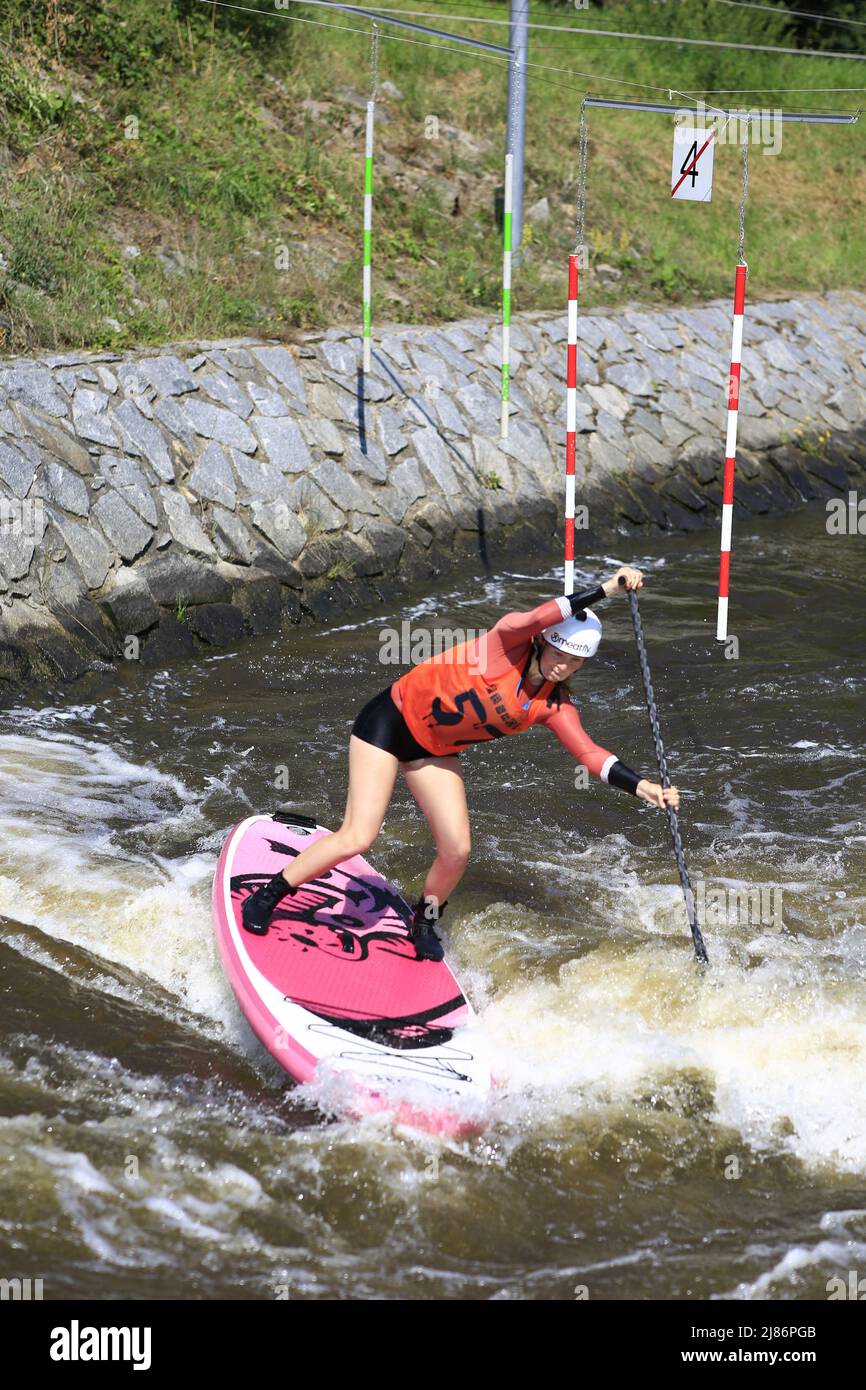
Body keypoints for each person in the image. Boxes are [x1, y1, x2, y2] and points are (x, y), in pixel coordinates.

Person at [242, 565, 679, 960]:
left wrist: (643, 787)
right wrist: (607, 589)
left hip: (432, 751)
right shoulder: (503, 644)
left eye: (575, 662)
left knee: (457, 849)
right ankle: (269, 893)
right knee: (359, 836)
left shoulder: (553, 707)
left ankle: (424, 918)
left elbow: (589, 754)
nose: (564, 667)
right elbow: (535, 617)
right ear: (544, 643)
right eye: (559, 654)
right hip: (388, 724)